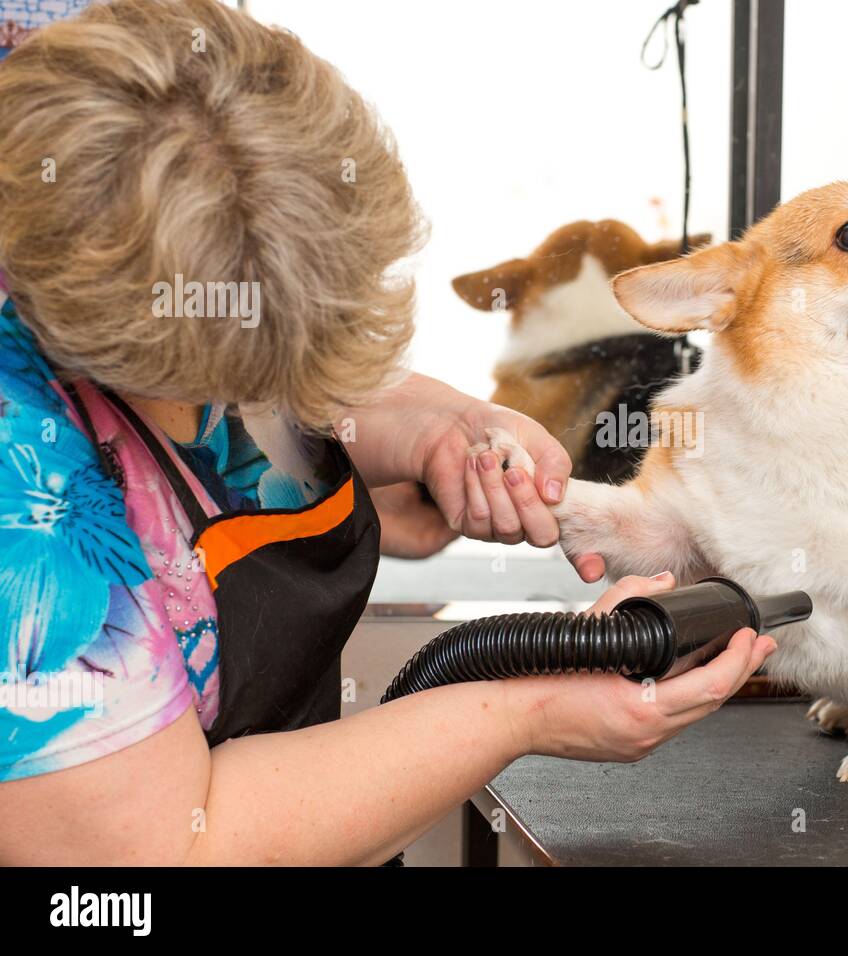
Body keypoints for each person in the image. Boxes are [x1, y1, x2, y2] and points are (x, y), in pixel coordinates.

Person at [0, 0, 775, 865]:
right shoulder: (22, 493)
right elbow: (175, 847)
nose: (275, 399)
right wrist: (527, 709)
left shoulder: (185, 262)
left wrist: (437, 424)